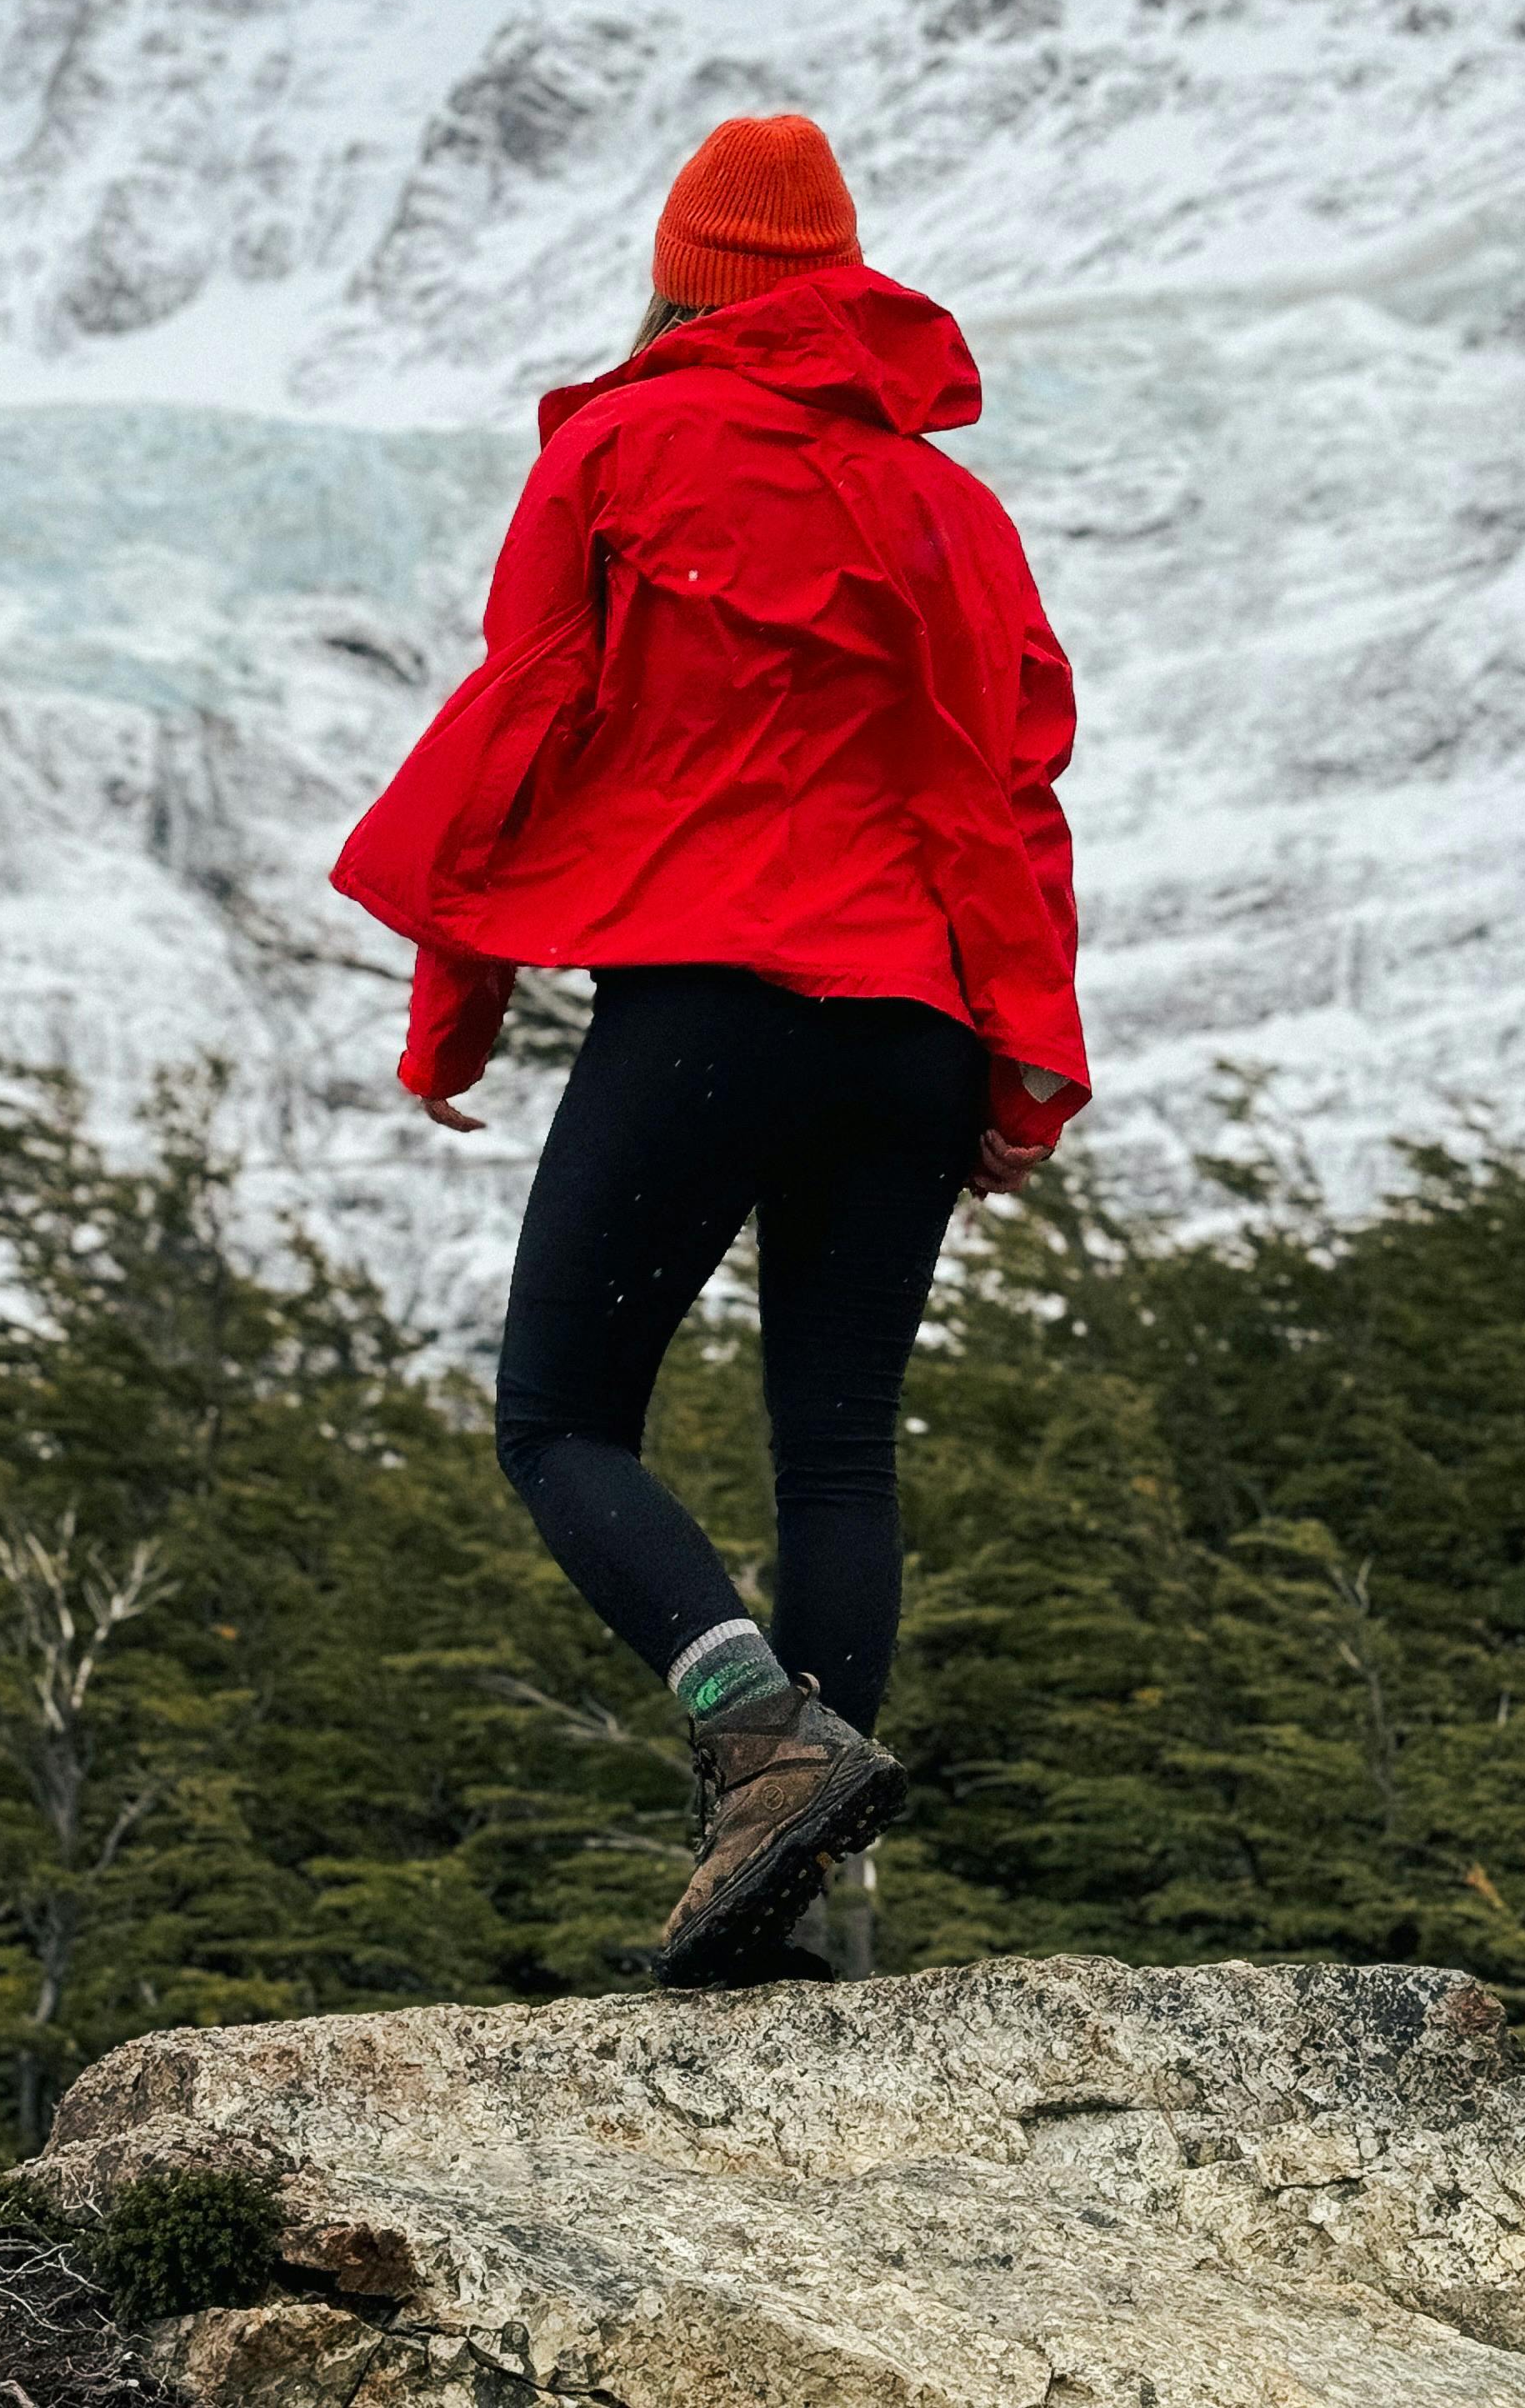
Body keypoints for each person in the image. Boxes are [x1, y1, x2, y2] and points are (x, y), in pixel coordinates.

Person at [331, 112, 1086, 1990]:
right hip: (912, 1017)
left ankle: (757, 1739)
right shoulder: (955, 515)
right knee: (837, 1449)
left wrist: (460, 1005)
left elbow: (523, 728)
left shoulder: (619, 451)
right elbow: (1019, 793)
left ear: (684, 275)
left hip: (713, 999)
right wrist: (1013, 1062)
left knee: (562, 1418)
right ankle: (782, 1916)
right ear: (839, 283)